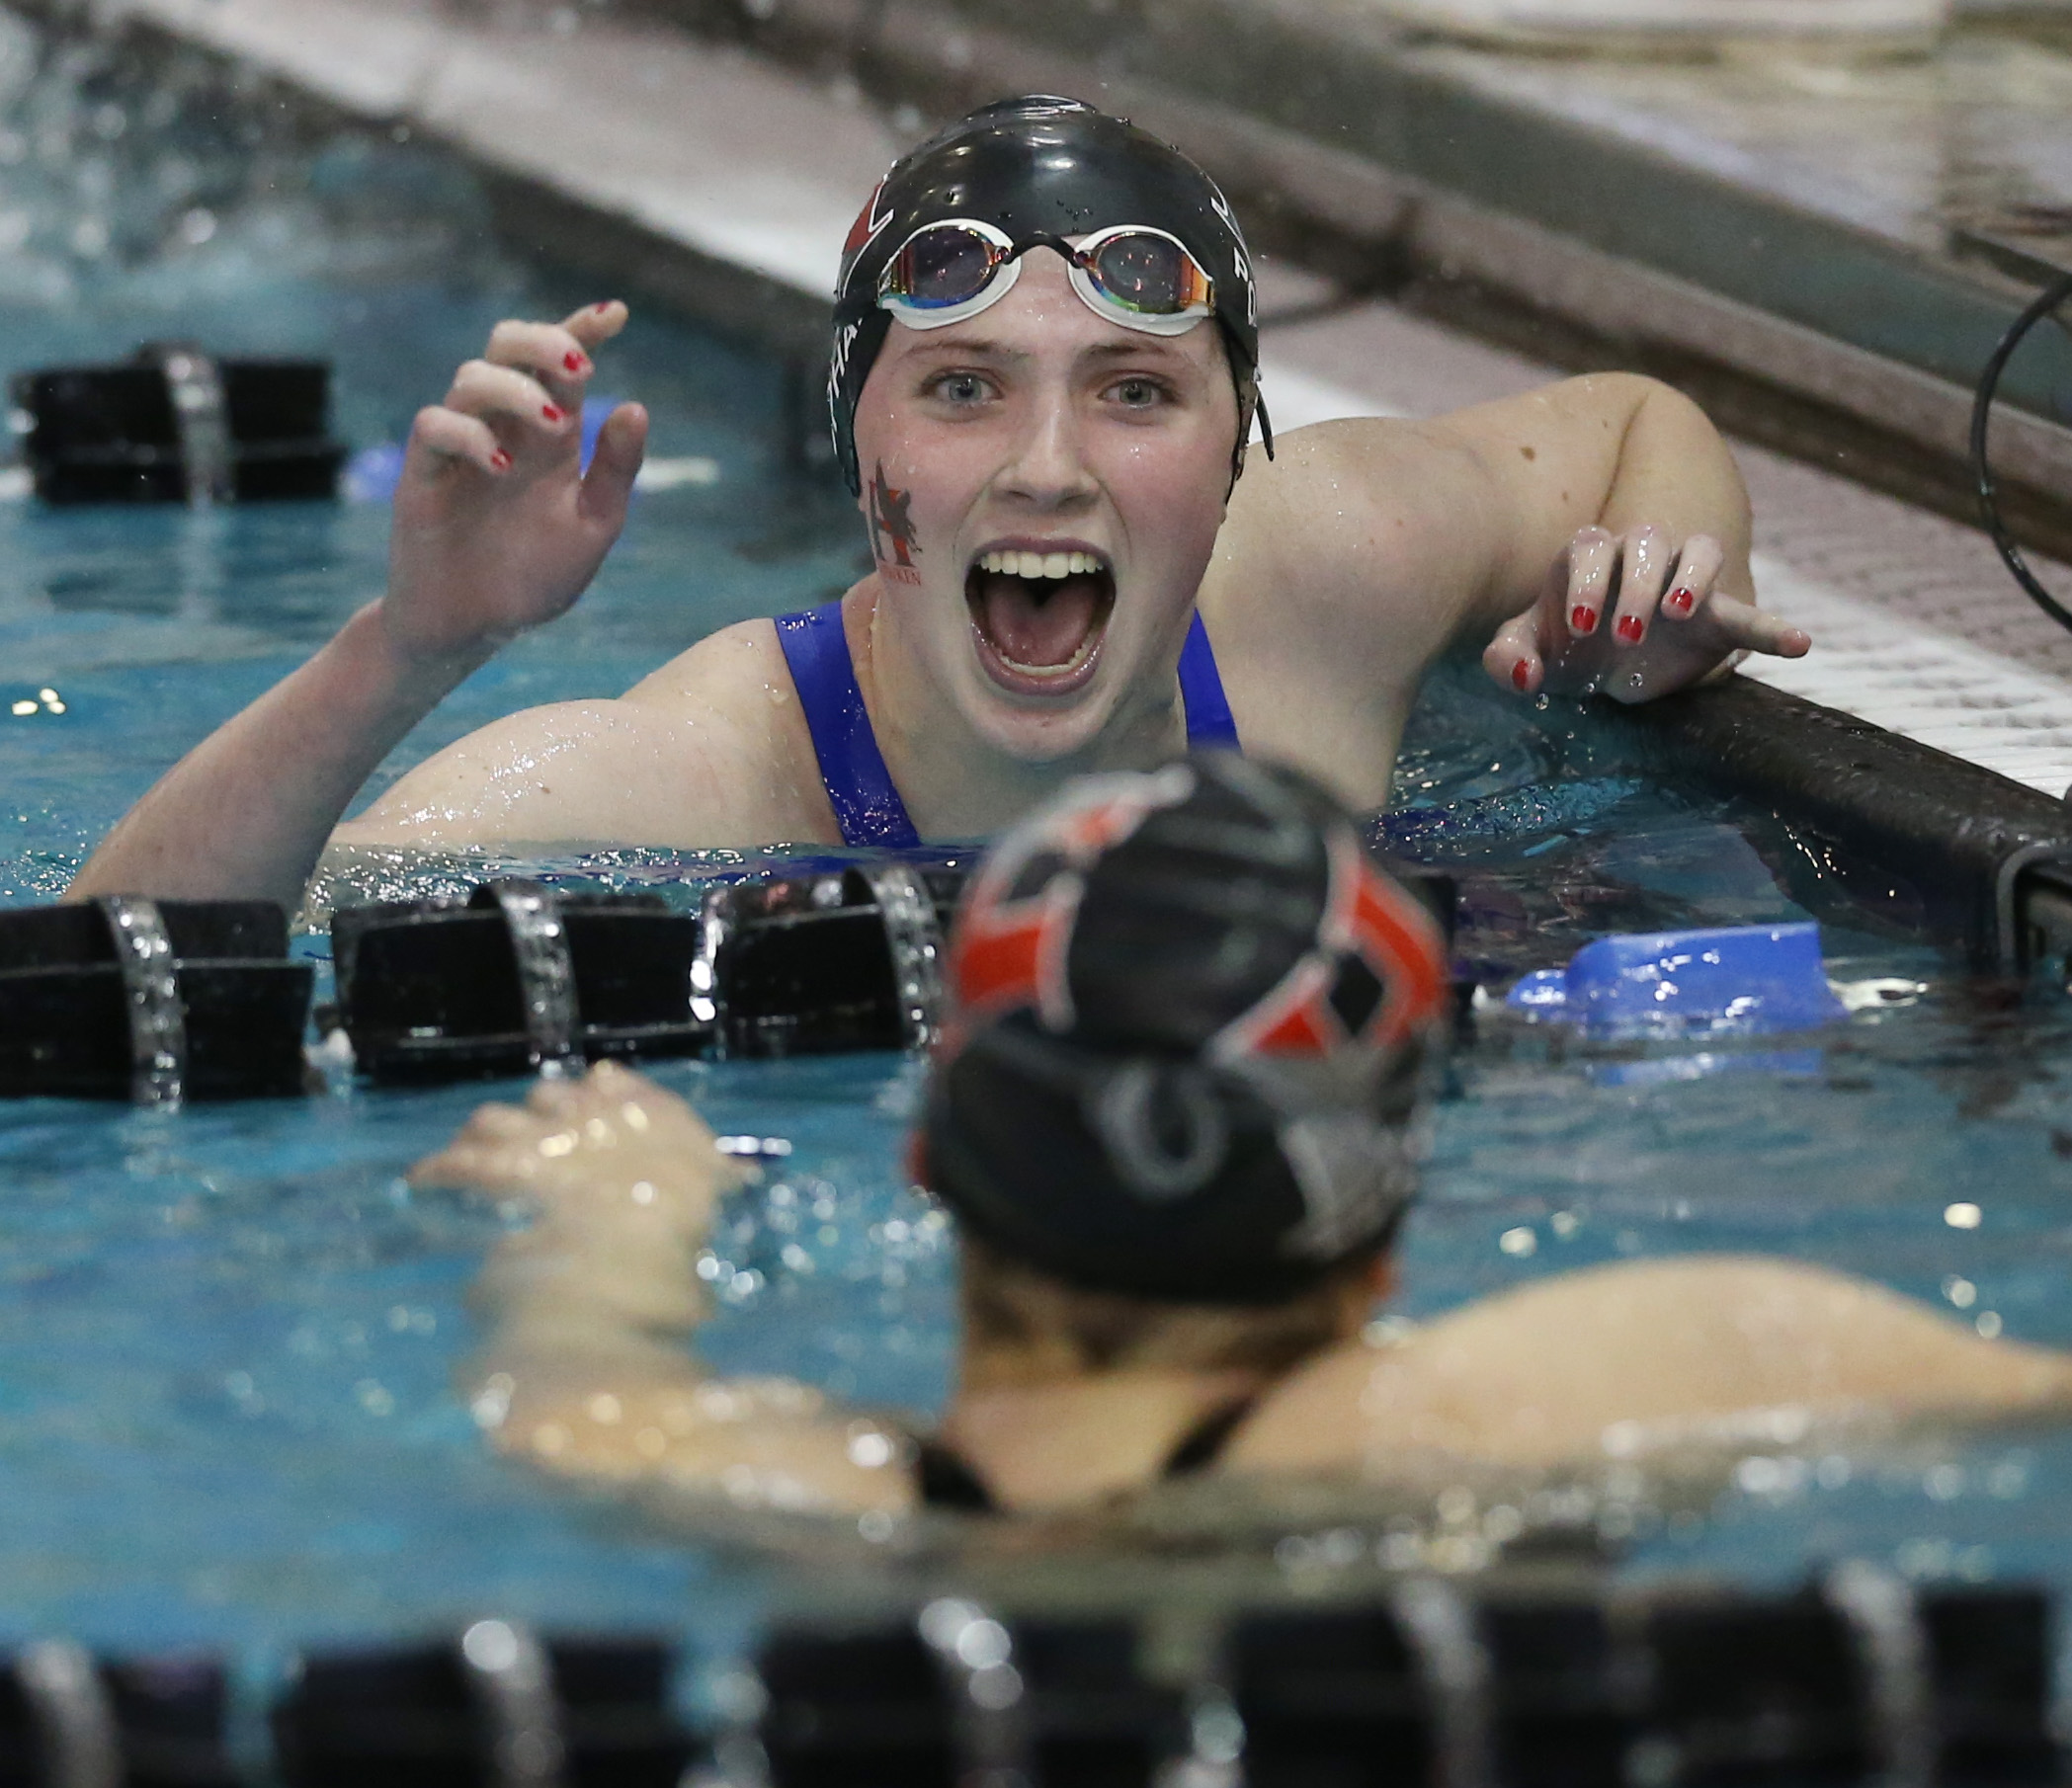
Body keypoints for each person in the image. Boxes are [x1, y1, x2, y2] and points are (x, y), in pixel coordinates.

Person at [69, 97, 1808, 913]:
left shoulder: (1315, 579)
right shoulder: (693, 779)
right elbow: (102, 966)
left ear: (1231, 456)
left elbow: (1630, 418)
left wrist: (1653, 608)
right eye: (963, 387)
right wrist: (409, 645)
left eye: (1131, 395)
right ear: (861, 450)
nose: (1045, 465)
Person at [416, 756, 2072, 1523]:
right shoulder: (1648, 1373)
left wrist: (615, 1230)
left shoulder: (765, 1493)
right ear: (1381, 1237)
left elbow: (579, 1390)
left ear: (931, 1162)